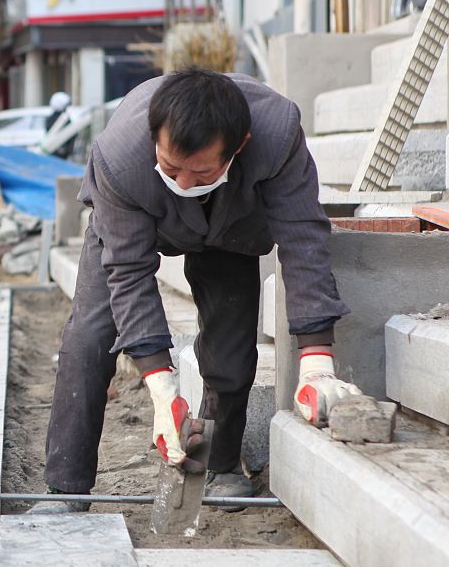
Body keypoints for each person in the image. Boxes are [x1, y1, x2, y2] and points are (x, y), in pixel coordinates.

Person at [41, 68, 361, 512]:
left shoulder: (277, 134)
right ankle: (66, 487)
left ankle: (221, 463)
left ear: (240, 146)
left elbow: (304, 241)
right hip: (133, 220)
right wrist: (161, 387)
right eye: (172, 168)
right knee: (90, 334)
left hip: (231, 221)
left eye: (201, 171)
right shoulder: (120, 155)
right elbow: (130, 274)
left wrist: (317, 360)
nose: (185, 183)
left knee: (231, 349)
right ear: (155, 136)